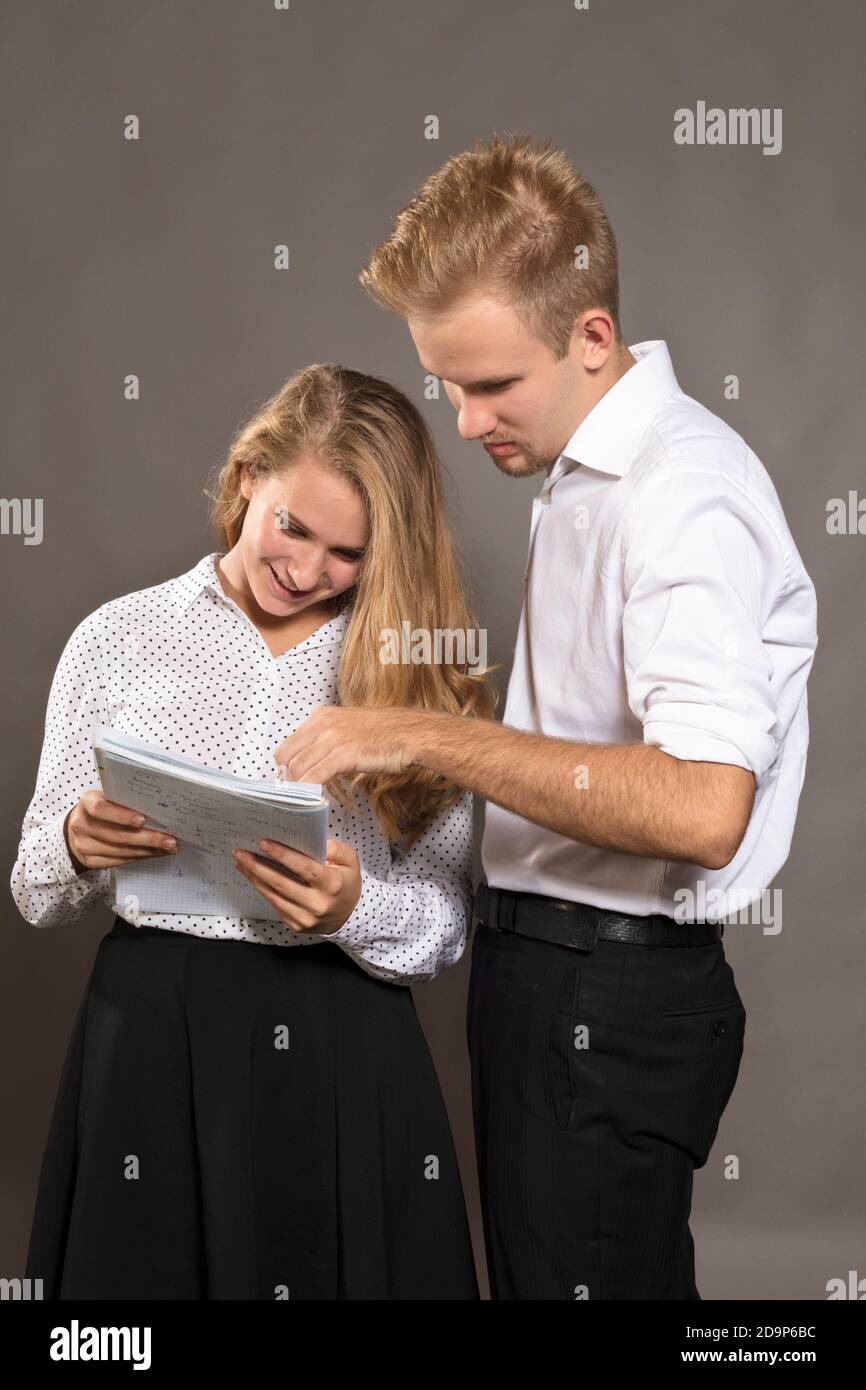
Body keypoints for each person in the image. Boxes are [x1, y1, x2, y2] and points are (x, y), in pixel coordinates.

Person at [275, 135, 820, 1299]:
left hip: (607, 999)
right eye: (449, 386)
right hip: (548, 978)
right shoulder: (585, 470)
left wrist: (422, 736)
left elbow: (701, 804)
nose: (465, 425)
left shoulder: (681, 493)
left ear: (589, 337)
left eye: (488, 385)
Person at [12, 363, 497, 1300]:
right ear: (246, 479)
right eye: (294, 526)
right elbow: (33, 887)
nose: (309, 571)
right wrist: (78, 840)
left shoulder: (416, 680)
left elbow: (446, 923)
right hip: (152, 1028)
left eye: (348, 555)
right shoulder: (115, 638)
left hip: (339, 1038)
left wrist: (356, 905)